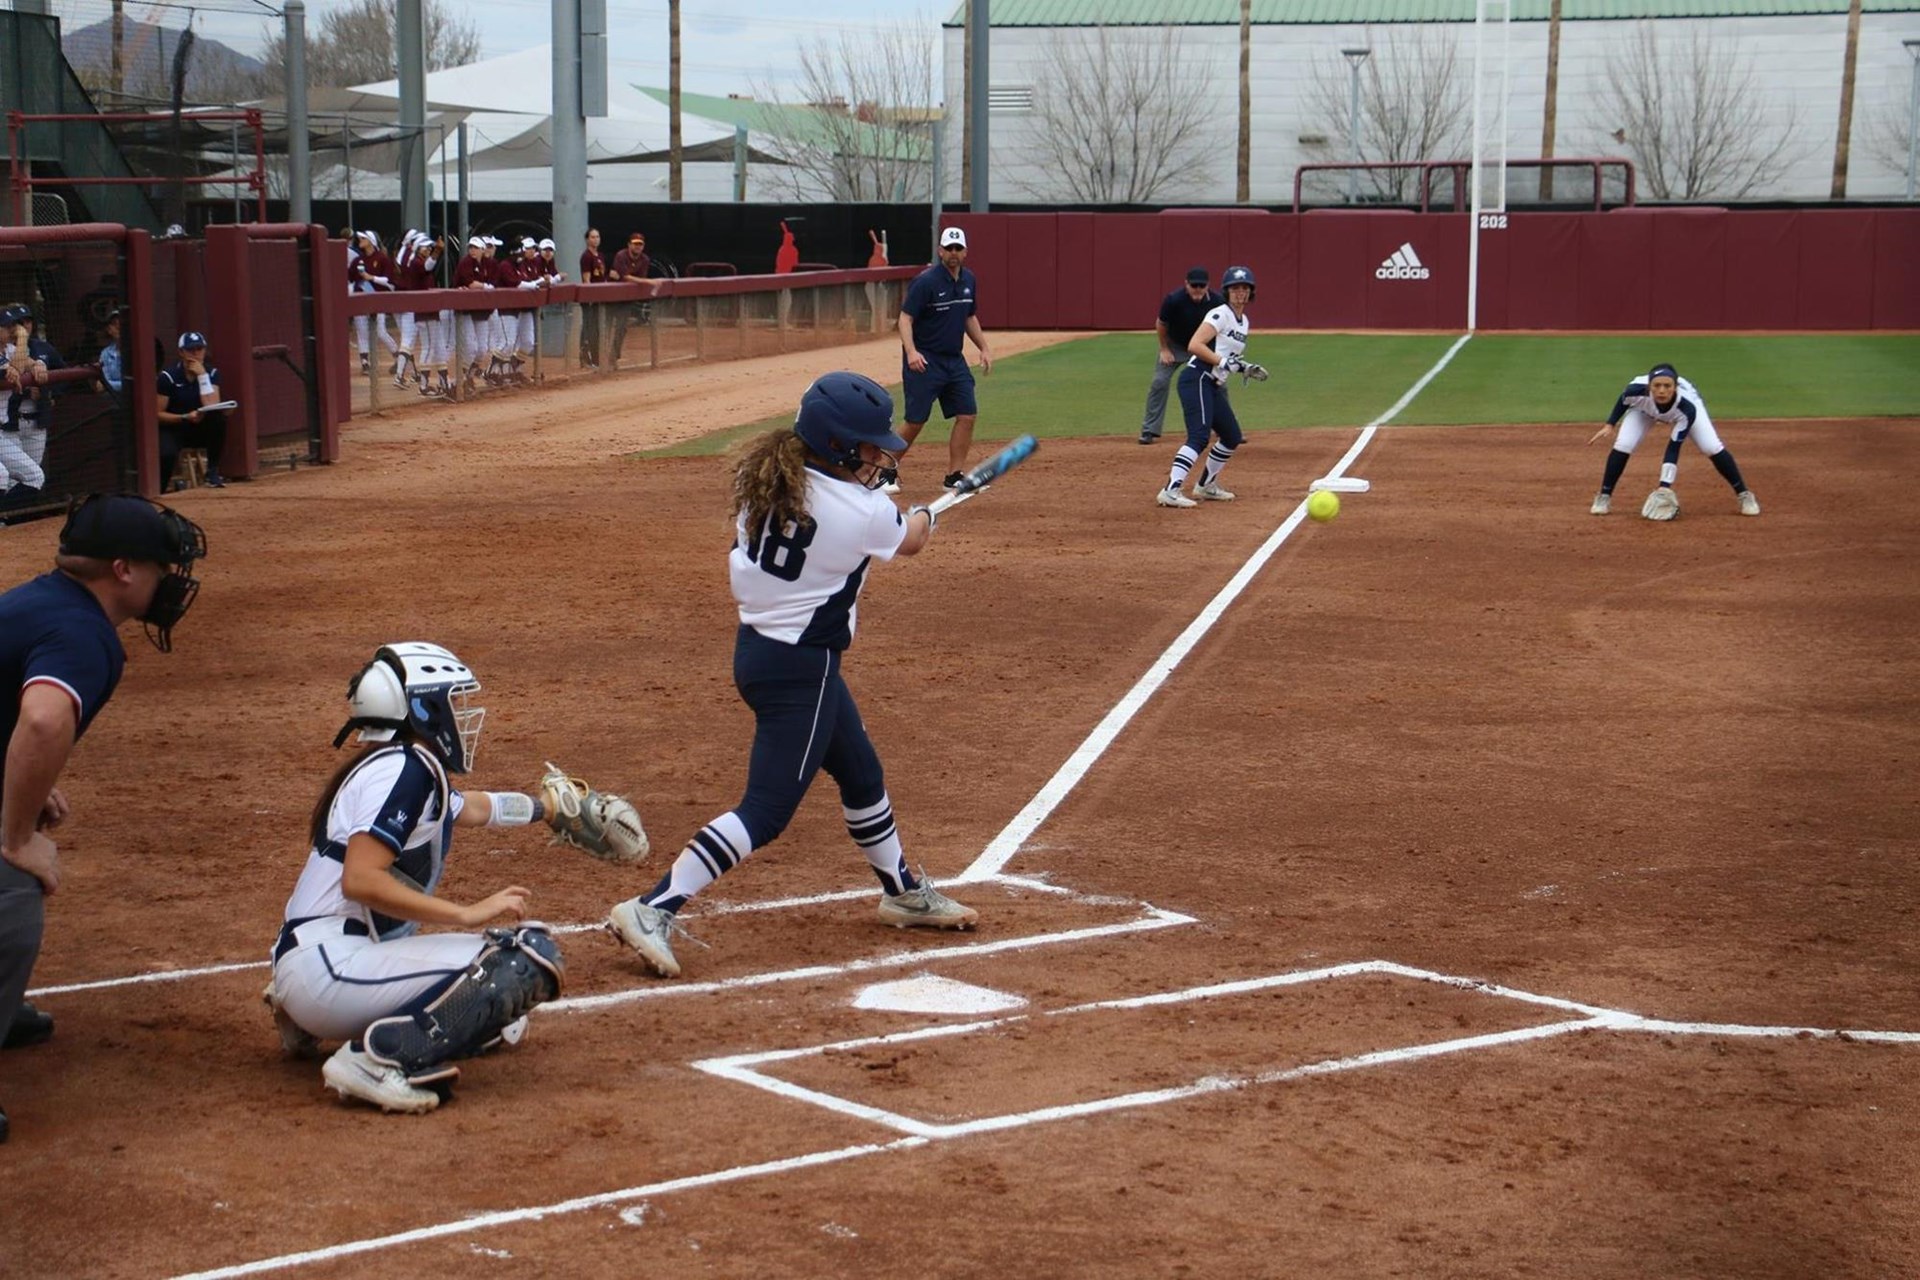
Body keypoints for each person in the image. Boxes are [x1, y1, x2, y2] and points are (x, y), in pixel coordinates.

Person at [606, 371, 977, 979]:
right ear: (835, 446)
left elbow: (878, 516)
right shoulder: (863, 512)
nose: (879, 455)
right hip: (800, 670)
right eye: (867, 445)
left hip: (762, 651)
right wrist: (928, 517)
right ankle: (653, 907)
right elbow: (908, 540)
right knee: (767, 810)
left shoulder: (769, 480)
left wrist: (903, 510)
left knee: (860, 771)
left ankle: (903, 890)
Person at [265, 642, 565, 1115]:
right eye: (451, 699)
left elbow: (477, 807)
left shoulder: (397, 766)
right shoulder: (407, 769)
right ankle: (375, 1060)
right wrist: (464, 913)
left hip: (322, 963)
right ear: (423, 708)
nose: (461, 713)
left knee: (499, 1020)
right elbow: (360, 880)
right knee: (521, 960)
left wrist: (548, 810)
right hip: (332, 969)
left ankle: (309, 1019)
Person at [0, 493, 208, 1142]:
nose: (170, 580)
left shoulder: (43, 600)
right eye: (160, 568)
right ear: (122, 570)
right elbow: (41, 718)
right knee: (11, 898)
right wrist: (14, 834)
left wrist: (28, 788)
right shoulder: (84, 634)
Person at [886, 226, 993, 494]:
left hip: (953, 361)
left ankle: (954, 477)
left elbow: (969, 316)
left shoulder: (969, 279)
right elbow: (905, 318)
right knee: (915, 420)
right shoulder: (926, 282)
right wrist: (911, 352)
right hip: (924, 359)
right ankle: (884, 472)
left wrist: (984, 347)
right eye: (949, 249)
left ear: (965, 251)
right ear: (940, 251)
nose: (954, 253)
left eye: (959, 248)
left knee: (967, 414)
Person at [1587, 363, 1761, 517]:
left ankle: (1744, 495)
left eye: (1667, 386)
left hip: (1681, 411)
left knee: (1711, 446)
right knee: (1623, 444)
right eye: (1657, 386)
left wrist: (1665, 485)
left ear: (1675, 387)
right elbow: (1623, 401)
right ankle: (1604, 496)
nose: (1662, 390)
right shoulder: (1635, 391)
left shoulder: (1687, 408)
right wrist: (1610, 424)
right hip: (1645, 410)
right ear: (1649, 386)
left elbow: (1673, 447)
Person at [1157, 265, 1260, 508]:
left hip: (1211, 384)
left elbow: (1225, 355)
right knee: (1199, 436)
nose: (1240, 292)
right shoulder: (1219, 314)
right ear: (1226, 291)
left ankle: (1205, 485)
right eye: (1235, 288)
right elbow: (1195, 345)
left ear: (1250, 292)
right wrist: (1225, 363)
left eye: (1244, 288)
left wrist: (1244, 367)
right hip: (1197, 378)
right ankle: (1170, 490)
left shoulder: (1243, 321)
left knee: (1232, 436)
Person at [1139, 267, 1224, 446]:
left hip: (1202, 347)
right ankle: (1149, 430)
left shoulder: (1217, 301)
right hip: (1175, 345)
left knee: (1218, 382)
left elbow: (1224, 328)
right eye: (1194, 285)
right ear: (1186, 284)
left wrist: (1218, 353)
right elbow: (1161, 324)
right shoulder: (1174, 300)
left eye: (1202, 286)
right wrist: (1164, 349)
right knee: (1159, 382)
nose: (1198, 289)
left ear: (1208, 286)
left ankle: (1224, 428)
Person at [2, 302, 65, 510]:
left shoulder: (12, 350)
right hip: (9, 426)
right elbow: (17, 367)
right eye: (9, 326)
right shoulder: (13, 348)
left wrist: (38, 364)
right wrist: (21, 338)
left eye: (18, 324)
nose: (15, 329)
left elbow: (26, 363)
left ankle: (10, 519)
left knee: (33, 475)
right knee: (4, 477)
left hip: (15, 426)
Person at [157, 331, 229, 490]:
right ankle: (161, 488)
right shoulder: (168, 377)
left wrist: (202, 376)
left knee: (219, 420)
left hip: (199, 428)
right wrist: (184, 417)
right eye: (191, 350)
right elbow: (158, 414)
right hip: (175, 427)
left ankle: (212, 472)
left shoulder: (212, 373)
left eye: (199, 349)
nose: (196, 354)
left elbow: (212, 405)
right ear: (181, 352)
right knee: (166, 453)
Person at [609, 231, 652, 368]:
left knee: (621, 327)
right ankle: (595, 357)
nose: (637, 247)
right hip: (610, 296)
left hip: (626, 298)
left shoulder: (644, 259)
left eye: (640, 244)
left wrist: (640, 281)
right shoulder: (621, 255)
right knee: (605, 326)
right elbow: (624, 276)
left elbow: (640, 278)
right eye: (635, 244)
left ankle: (613, 357)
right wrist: (642, 281)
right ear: (629, 245)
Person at [579, 227, 608, 370]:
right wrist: (589, 296)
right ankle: (587, 358)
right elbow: (587, 279)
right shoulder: (586, 256)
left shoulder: (600, 256)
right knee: (589, 328)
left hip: (600, 297)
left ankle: (596, 358)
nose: (595, 239)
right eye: (592, 237)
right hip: (591, 299)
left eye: (597, 237)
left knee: (597, 328)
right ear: (587, 239)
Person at [96, 308, 124, 395]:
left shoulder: (137, 350)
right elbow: (101, 385)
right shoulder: (105, 354)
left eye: (121, 322)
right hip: (112, 400)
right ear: (109, 330)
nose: (118, 326)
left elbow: (136, 384)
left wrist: (107, 385)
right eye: (114, 323)